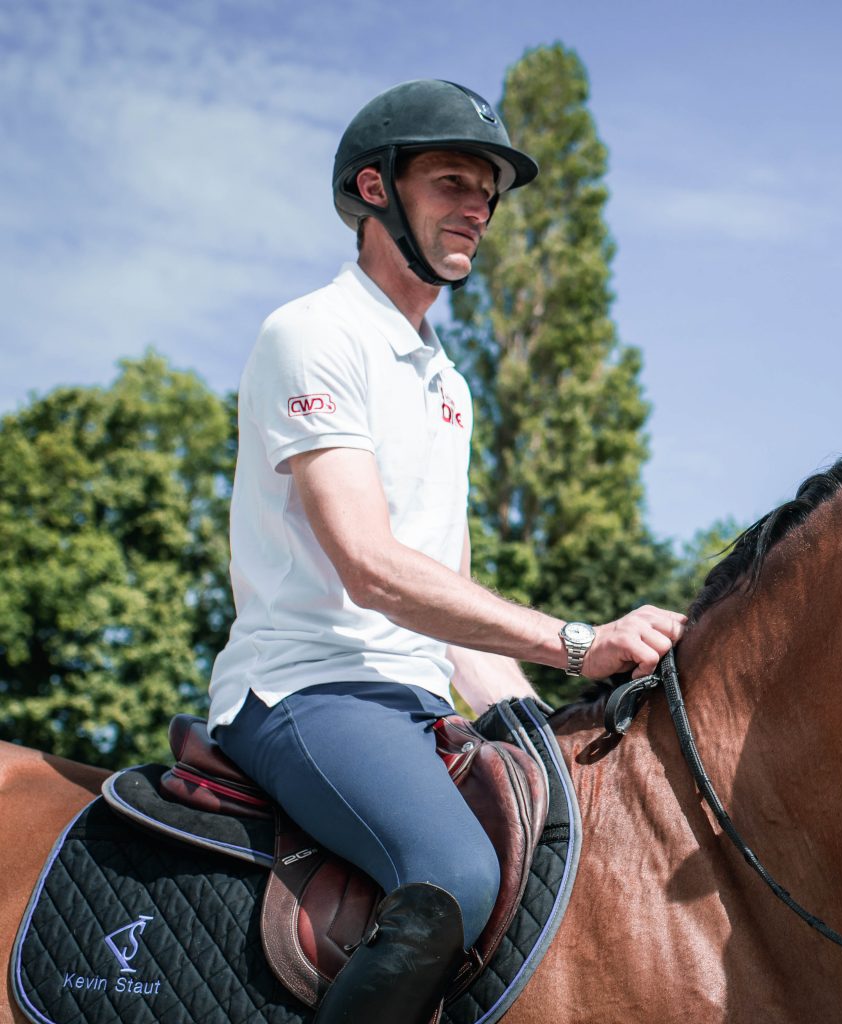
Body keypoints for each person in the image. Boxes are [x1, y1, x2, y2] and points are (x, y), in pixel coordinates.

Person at [207, 79, 685, 1024]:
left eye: (488, 195)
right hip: (308, 689)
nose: (477, 209)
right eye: (453, 183)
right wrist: (580, 640)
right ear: (376, 188)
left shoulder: (448, 386)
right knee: (456, 875)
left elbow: (449, 600)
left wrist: (542, 725)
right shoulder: (312, 333)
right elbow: (371, 567)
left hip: (416, 702)